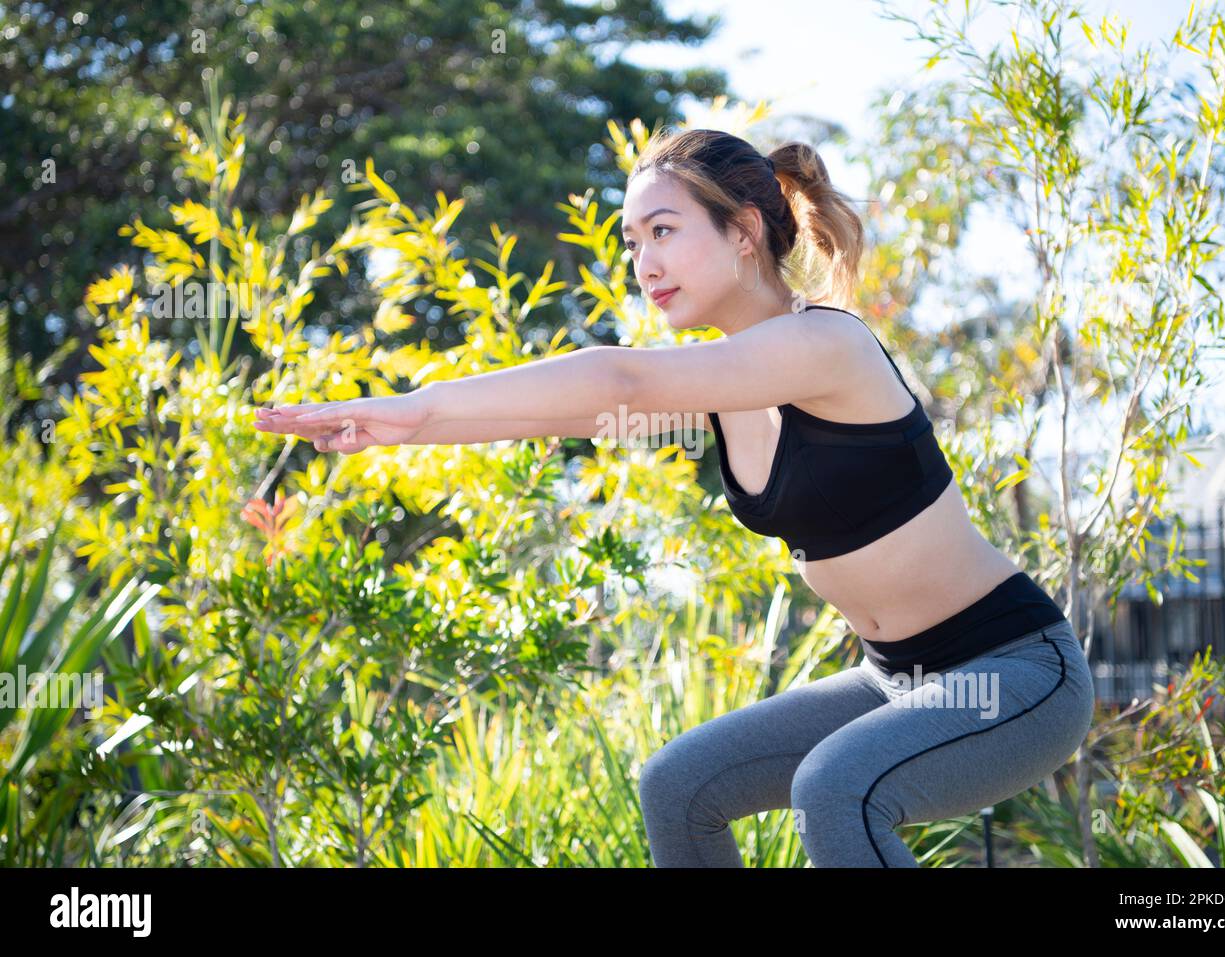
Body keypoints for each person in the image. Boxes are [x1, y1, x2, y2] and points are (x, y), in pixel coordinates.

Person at [253, 127, 1095, 868]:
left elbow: (618, 373)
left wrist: (410, 408)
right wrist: (403, 423)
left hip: (1012, 670)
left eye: (663, 231)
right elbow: (557, 408)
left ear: (743, 232)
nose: (643, 263)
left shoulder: (824, 344)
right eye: (631, 241)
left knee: (835, 787)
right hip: (893, 681)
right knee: (679, 785)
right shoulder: (724, 388)